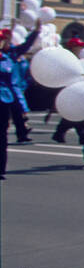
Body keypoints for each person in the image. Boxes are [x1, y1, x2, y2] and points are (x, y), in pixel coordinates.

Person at [0, 25, 41, 179]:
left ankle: (0, 169)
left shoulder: (10, 55)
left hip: (5, 100)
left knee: (2, 136)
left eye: (5, 39)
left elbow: (25, 46)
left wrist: (36, 32)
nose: (4, 42)